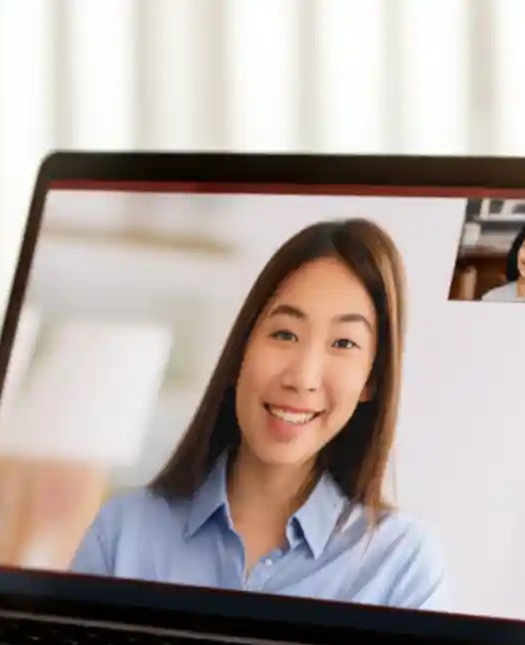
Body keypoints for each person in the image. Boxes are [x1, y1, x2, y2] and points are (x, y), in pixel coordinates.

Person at [69, 218, 449, 612]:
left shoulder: (400, 565)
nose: (303, 377)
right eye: (285, 334)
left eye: (344, 343)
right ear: (241, 352)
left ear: (371, 380)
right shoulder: (123, 530)